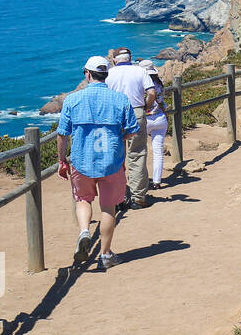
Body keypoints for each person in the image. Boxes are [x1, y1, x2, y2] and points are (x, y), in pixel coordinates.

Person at [57, 56, 138, 271]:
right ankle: (105, 255)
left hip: (82, 161)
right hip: (112, 161)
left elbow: (62, 134)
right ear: (106, 74)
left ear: (87, 74)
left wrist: (61, 159)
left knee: (83, 200)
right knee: (108, 208)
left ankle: (84, 231)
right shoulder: (120, 100)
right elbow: (131, 130)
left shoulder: (72, 100)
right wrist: (118, 141)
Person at [105, 48, 156, 210]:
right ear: (130, 58)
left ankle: (118, 197)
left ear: (114, 60)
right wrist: (146, 108)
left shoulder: (109, 74)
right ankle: (138, 198)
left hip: (114, 115)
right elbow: (152, 93)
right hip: (136, 111)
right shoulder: (140, 71)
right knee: (137, 154)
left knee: (116, 157)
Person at [139, 60, 169, 190]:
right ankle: (157, 181)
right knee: (158, 151)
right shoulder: (158, 83)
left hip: (146, 120)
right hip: (160, 119)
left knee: (140, 151)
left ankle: (142, 180)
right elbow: (161, 101)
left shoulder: (142, 85)